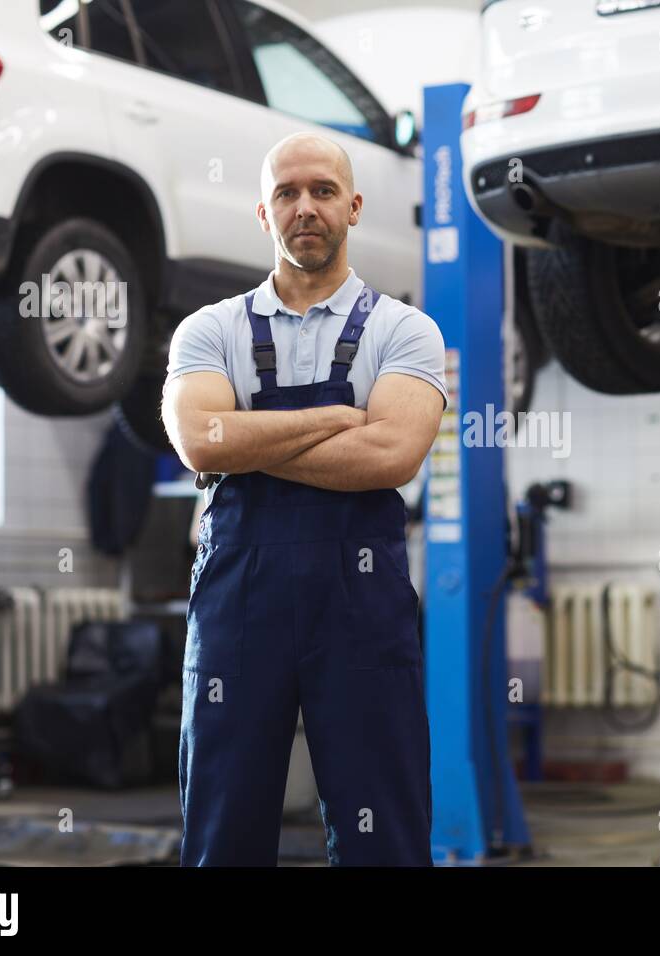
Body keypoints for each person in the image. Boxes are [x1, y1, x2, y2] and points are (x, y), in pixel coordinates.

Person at [162, 132, 445, 866]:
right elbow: (200, 441)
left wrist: (250, 445)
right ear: (264, 213)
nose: (305, 207)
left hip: (360, 604)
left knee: (382, 827)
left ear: (352, 206)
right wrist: (332, 421)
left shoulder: (404, 330)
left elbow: (391, 454)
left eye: (322, 191)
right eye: (286, 193)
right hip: (238, 604)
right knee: (223, 829)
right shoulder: (209, 330)